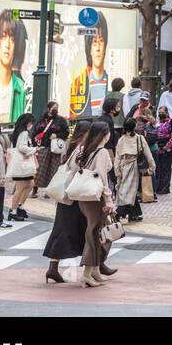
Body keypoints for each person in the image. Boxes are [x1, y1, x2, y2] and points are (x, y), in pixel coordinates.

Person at [67, 119, 116, 288]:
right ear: (104, 135)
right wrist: (108, 199)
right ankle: (86, 274)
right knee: (94, 233)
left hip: (83, 195)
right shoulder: (101, 152)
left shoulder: (82, 149)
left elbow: (73, 169)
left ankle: (95, 270)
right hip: (97, 197)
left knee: (96, 230)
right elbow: (103, 176)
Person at [113, 117, 154, 222]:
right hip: (134, 167)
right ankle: (120, 212)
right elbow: (148, 154)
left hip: (123, 167)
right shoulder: (140, 138)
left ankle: (132, 213)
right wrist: (152, 167)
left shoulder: (121, 139)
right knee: (129, 191)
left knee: (126, 191)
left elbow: (117, 157)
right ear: (134, 126)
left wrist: (117, 170)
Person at [71, 15, 110, 119]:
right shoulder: (79, 82)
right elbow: (74, 115)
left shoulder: (111, 81)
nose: (98, 48)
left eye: (101, 40)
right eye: (94, 42)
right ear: (89, 48)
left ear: (105, 45)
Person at [31, 101, 68, 197]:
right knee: (39, 169)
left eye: (57, 108)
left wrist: (57, 135)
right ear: (48, 108)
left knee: (53, 170)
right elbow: (34, 133)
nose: (56, 109)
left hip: (55, 149)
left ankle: (49, 191)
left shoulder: (61, 120)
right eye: (54, 108)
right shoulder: (41, 120)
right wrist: (35, 145)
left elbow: (66, 133)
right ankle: (35, 189)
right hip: (42, 147)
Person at [6, 113, 38, 222]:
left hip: (21, 164)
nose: (32, 125)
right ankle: (13, 211)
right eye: (31, 122)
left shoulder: (17, 132)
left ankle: (19, 207)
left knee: (30, 184)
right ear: (27, 122)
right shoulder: (24, 133)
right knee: (21, 187)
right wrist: (34, 149)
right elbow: (22, 147)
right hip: (22, 165)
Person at [153, 107, 172, 195]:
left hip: (167, 148)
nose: (161, 114)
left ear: (167, 113)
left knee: (166, 168)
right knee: (159, 168)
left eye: (163, 112)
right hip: (158, 148)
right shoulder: (157, 122)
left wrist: (167, 147)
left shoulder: (170, 123)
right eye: (159, 112)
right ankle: (158, 186)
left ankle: (165, 187)